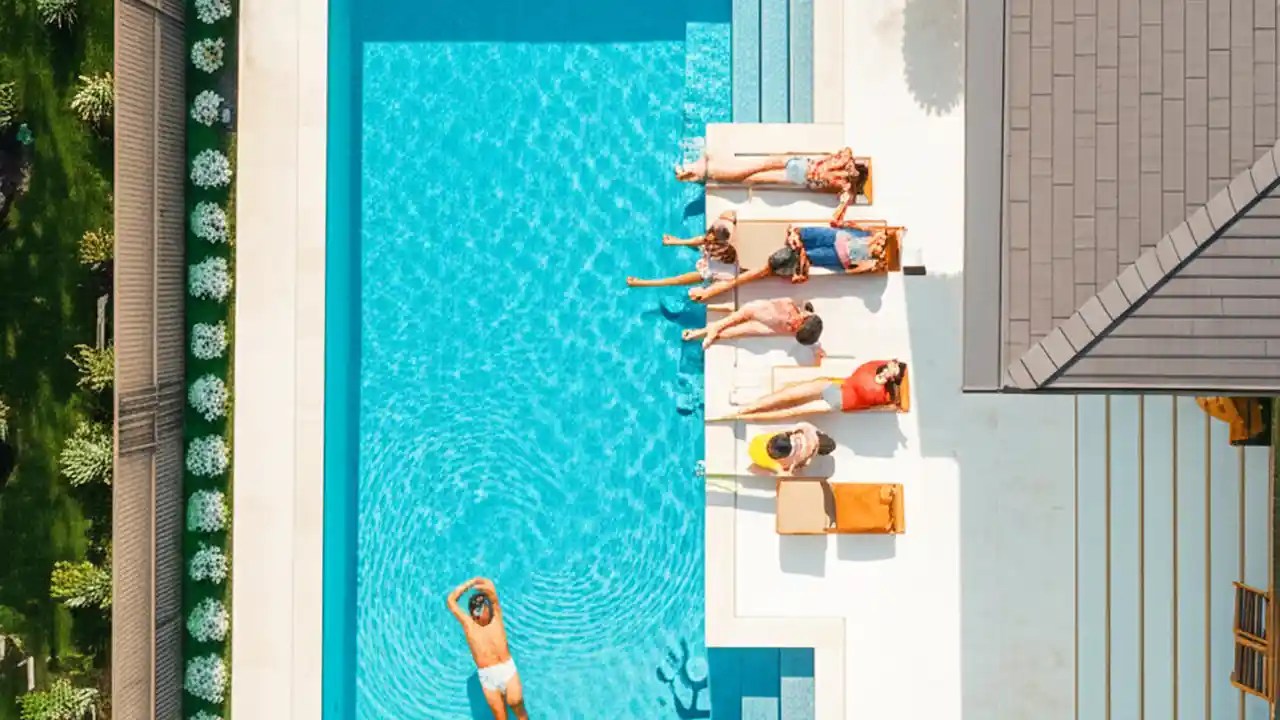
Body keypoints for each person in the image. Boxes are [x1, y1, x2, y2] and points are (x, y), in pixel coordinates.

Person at [688, 215, 894, 302]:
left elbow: (855, 267)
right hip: (832, 243)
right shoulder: (868, 238)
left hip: (829, 253)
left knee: (807, 252)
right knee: (806, 244)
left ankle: (705, 285)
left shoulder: (868, 255)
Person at [710, 359, 907, 422]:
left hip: (836, 402)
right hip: (832, 385)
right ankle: (744, 409)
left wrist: (895, 400)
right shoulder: (875, 365)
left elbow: (884, 404)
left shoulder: (882, 394)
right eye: (893, 365)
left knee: (792, 411)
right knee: (786, 395)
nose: (890, 370)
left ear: (893, 378)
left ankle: (742, 416)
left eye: (894, 372)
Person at [447, 577, 527, 720]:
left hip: (506, 669)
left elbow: (490, 587)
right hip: (488, 677)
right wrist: (469, 584)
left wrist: (477, 581)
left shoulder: (496, 616)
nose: (487, 608)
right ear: (475, 613)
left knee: (516, 704)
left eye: (486, 604)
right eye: (483, 607)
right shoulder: (469, 625)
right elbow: (451, 601)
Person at [675, 147, 868, 202]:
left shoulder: (845, 185)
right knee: (752, 169)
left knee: (751, 175)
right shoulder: (843, 165)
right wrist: (848, 165)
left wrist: (849, 190)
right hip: (798, 166)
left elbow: (841, 209)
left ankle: (703, 172)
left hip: (797, 174)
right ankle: (704, 171)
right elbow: (847, 151)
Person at [682, 298, 825, 360]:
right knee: (735, 318)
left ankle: (699, 333)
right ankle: (706, 330)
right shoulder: (792, 306)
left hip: (767, 327)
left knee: (734, 332)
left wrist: (817, 350)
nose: (793, 328)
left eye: (795, 330)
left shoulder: (802, 331)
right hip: (758, 311)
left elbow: (813, 343)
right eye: (796, 327)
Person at [627, 211, 740, 288]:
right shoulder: (720, 240)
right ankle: (676, 241)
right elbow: (730, 213)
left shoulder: (716, 260)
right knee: (701, 241)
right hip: (716, 257)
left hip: (713, 271)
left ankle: (640, 283)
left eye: (712, 234)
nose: (709, 234)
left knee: (677, 280)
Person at [752, 422, 837, 476]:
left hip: (764, 442)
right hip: (765, 454)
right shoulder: (803, 458)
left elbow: (801, 427)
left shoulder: (807, 431)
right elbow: (797, 467)